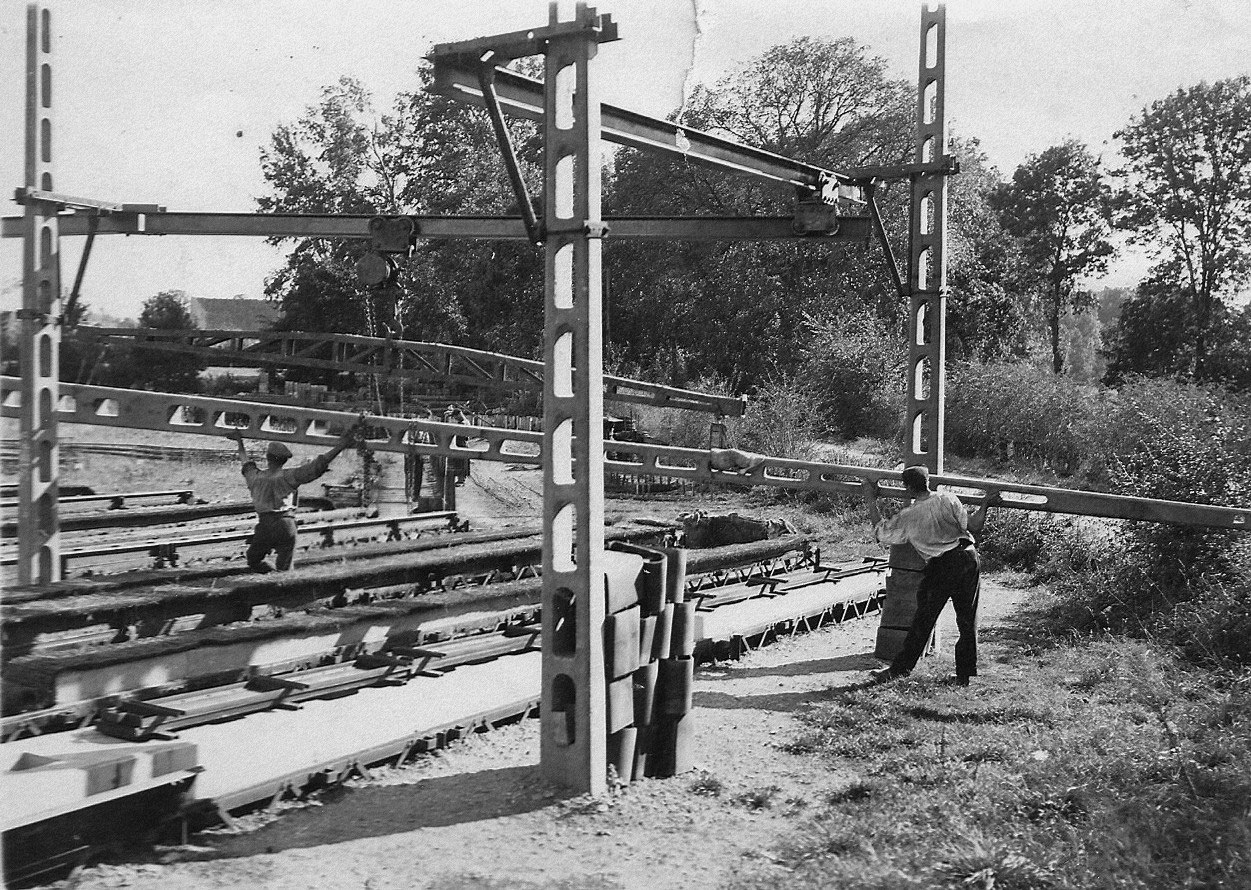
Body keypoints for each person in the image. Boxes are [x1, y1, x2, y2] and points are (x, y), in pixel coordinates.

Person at [862, 466, 995, 686]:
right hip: (968, 557)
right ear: (928, 481)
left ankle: (899, 670)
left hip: (942, 566)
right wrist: (986, 502)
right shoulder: (947, 498)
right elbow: (975, 525)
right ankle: (963, 676)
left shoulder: (909, 516)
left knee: (923, 620)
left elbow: (881, 532)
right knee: (967, 619)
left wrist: (870, 499)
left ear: (908, 488)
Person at [229, 422, 362, 573]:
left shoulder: (255, 477)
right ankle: (282, 580)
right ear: (284, 460)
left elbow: (245, 462)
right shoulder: (290, 476)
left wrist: (239, 441)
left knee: (254, 559)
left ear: (268, 458)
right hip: (286, 524)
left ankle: (272, 576)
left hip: (265, 525)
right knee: (285, 566)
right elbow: (317, 466)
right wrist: (341, 446)